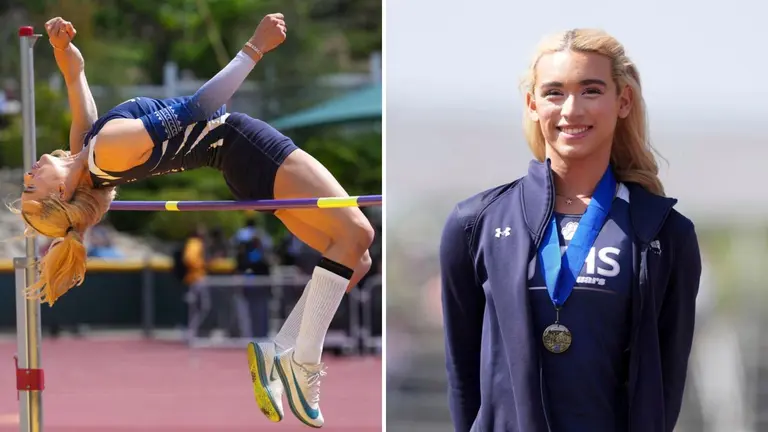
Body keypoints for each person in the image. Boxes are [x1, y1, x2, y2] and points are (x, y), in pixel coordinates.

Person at [13, 15, 374, 428]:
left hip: (238, 168)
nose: (29, 173)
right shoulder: (107, 151)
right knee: (359, 233)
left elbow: (76, 81)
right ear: (59, 194)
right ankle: (305, 363)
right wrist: (255, 47)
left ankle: (284, 351)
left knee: (354, 257)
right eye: (31, 187)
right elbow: (198, 108)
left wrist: (62, 48)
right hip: (245, 145)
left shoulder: (88, 155)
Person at [439, 29, 702, 432]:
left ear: (623, 102)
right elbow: (462, 376)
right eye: (554, 93)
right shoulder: (476, 224)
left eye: (591, 91)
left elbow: (666, 387)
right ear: (532, 105)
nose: (571, 110)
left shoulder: (665, 234)